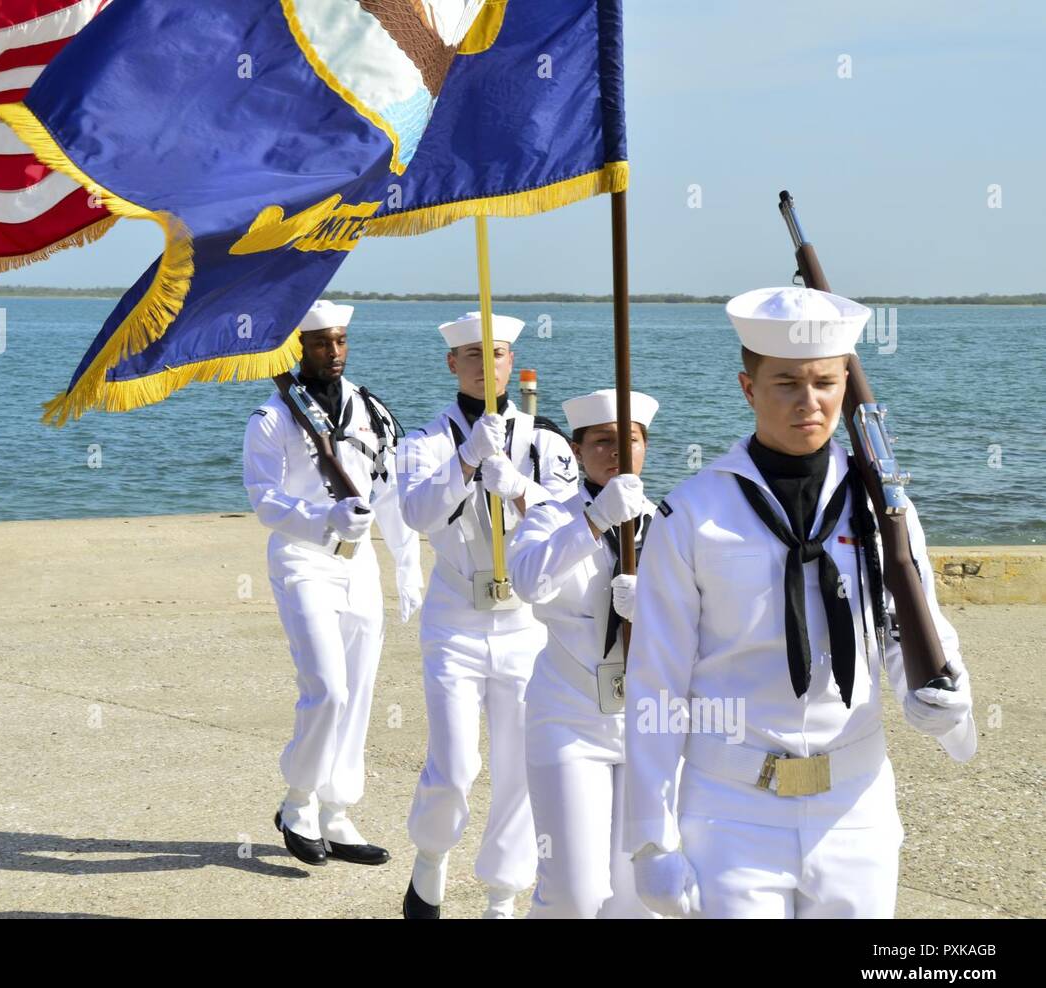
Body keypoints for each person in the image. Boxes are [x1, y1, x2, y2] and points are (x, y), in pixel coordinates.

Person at [624, 286, 977, 919]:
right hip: (731, 808)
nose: (809, 402)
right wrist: (651, 837)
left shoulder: (883, 505)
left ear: (845, 385)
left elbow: (907, 625)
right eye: (786, 382)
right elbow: (656, 681)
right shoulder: (695, 514)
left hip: (855, 803)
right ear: (748, 387)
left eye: (825, 382)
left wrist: (941, 698)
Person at [396, 311, 579, 919]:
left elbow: (569, 523)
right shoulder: (426, 441)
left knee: (519, 769)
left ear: (511, 361)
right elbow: (418, 514)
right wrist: (466, 464)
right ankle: (431, 857)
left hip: (525, 622)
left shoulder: (547, 441)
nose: (485, 366)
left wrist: (518, 488)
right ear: (453, 364)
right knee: (454, 764)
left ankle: (503, 894)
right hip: (456, 618)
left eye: (496, 354)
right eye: (472, 356)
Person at [243, 299, 424, 868]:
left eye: (341, 340)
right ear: (299, 347)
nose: (335, 352)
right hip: (303, 558)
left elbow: (390, 487)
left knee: (361, 689)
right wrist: (320, 518)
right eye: (323, 343)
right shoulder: (273, 417)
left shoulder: (369, 410)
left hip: (359, 564)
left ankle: (338, 811)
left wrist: (406, 559)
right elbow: (264, 498)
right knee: (328, 687)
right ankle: (297, 799)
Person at [507, 388, 660, 918]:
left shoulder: (668, 525)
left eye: (631, 441)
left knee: (640, 892)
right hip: (569, 716)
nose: (618, 453)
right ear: (576, 450)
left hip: (647, 721)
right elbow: (529, 583)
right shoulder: (550, 517)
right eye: (602, 442)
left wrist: (658, 609)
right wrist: (593, 524)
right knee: (573, 892)